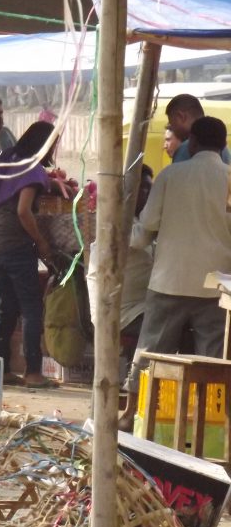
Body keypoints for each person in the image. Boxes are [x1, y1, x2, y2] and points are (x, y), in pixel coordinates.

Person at [119, 117, 231, 430]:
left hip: (169, 281)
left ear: (191, 142)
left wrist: (114, 237)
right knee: (211, 361)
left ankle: (132, 415)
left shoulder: (171, 176)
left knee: (150, 353)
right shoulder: (230, 179)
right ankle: (210, 425)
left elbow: (143, 234)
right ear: (223, 146)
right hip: (215, 288)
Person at [0, 121, 58, 389]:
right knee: (31, 307)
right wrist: (41, 242)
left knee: (7, 307)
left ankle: (1, 369)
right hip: (14, 243)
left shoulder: (9, 157)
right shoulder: (32, 169)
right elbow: (24, 211)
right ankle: (33, 373)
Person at [86, 165, 154, 383]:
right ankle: (137, 384)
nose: (148, 194)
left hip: (137, 305)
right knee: (166, 326)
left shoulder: (138, 220)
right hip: (117, 310)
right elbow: (141, 238)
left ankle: (141, 382)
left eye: (149, 189)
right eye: (143, 189)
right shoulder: (116, 221)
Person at [166, 94, 231, 164]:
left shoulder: (184, 150)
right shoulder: (224, 151)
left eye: (172, 123)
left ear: (181, 117)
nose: (173, 128)